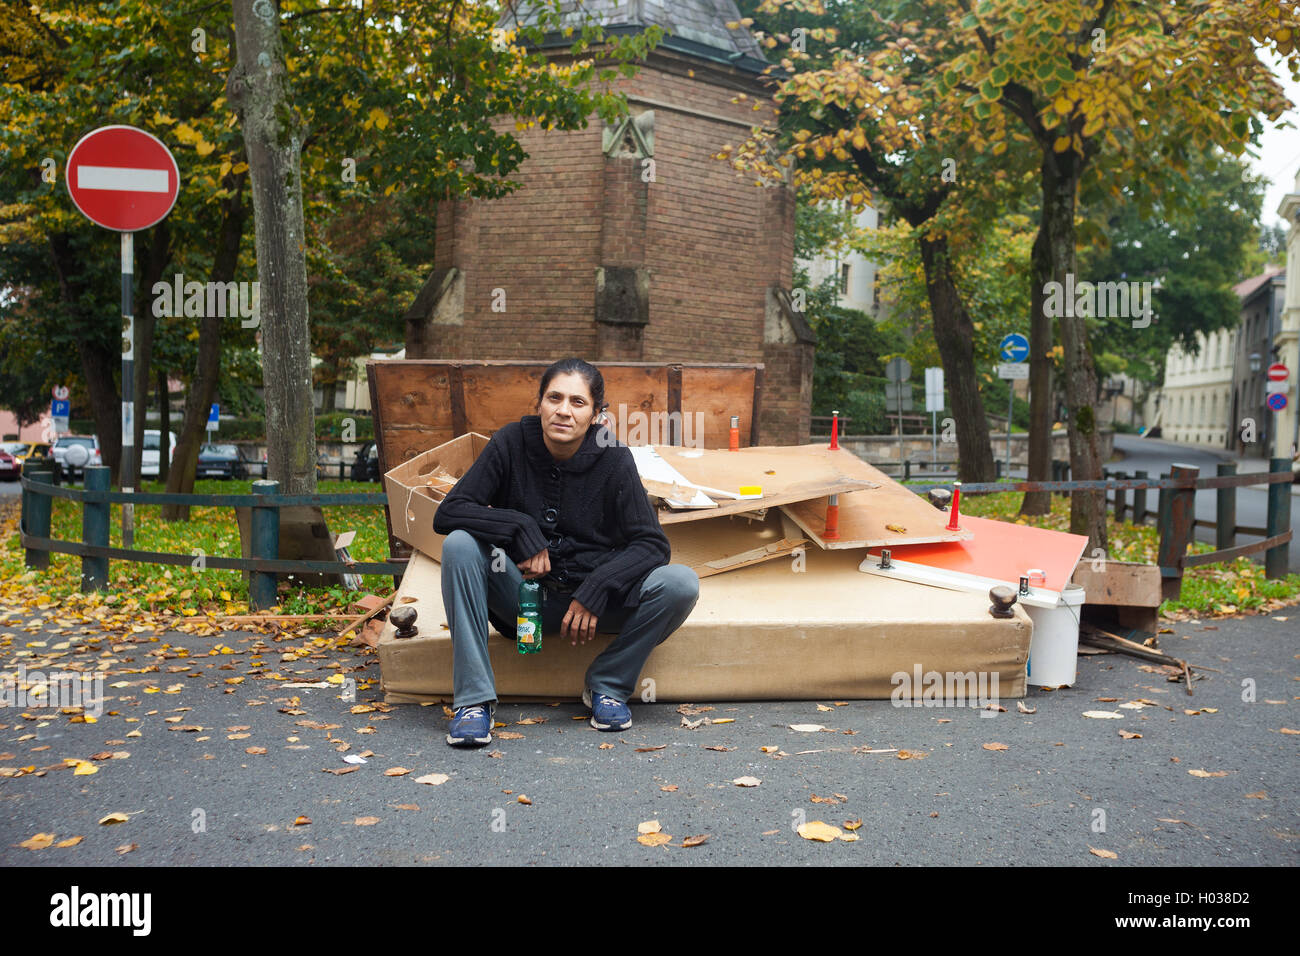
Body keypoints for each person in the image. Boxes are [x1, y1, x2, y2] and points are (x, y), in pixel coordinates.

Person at [432, 357, 700, 747]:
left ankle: (608, 684)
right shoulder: (510, 443)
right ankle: (474, 702)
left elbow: (652, 544)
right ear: (538, 403)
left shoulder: (614, 459)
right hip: (522, 601)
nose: (563, 410)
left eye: (578, 402)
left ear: (595, 415)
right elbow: (450, 512)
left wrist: (598, 586)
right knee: (459, 544)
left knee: (680, 583)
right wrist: (519, 527)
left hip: (597, 609)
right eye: (554, 398)